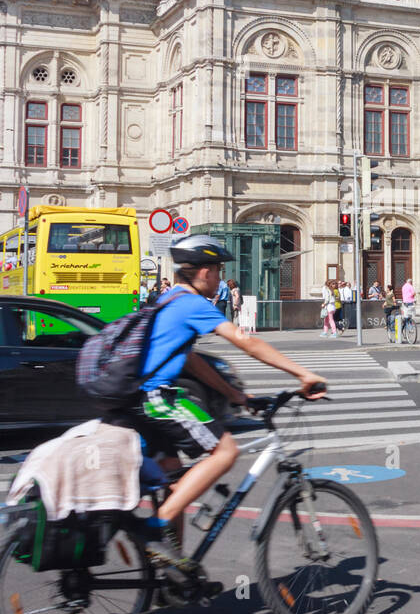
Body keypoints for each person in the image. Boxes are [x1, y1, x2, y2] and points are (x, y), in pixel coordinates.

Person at [114, 234, 327, 591]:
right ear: (202, 272)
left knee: (172, 480)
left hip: (137, 401)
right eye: (217, 270)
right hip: (158, 399)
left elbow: (189, 359)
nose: (219, 277)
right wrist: (304, 374)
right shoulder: (192, 304)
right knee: (225, 451)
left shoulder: (170, 298)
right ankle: (155, 528)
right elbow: (246, 342)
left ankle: (174, 575)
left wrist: (235, 395)